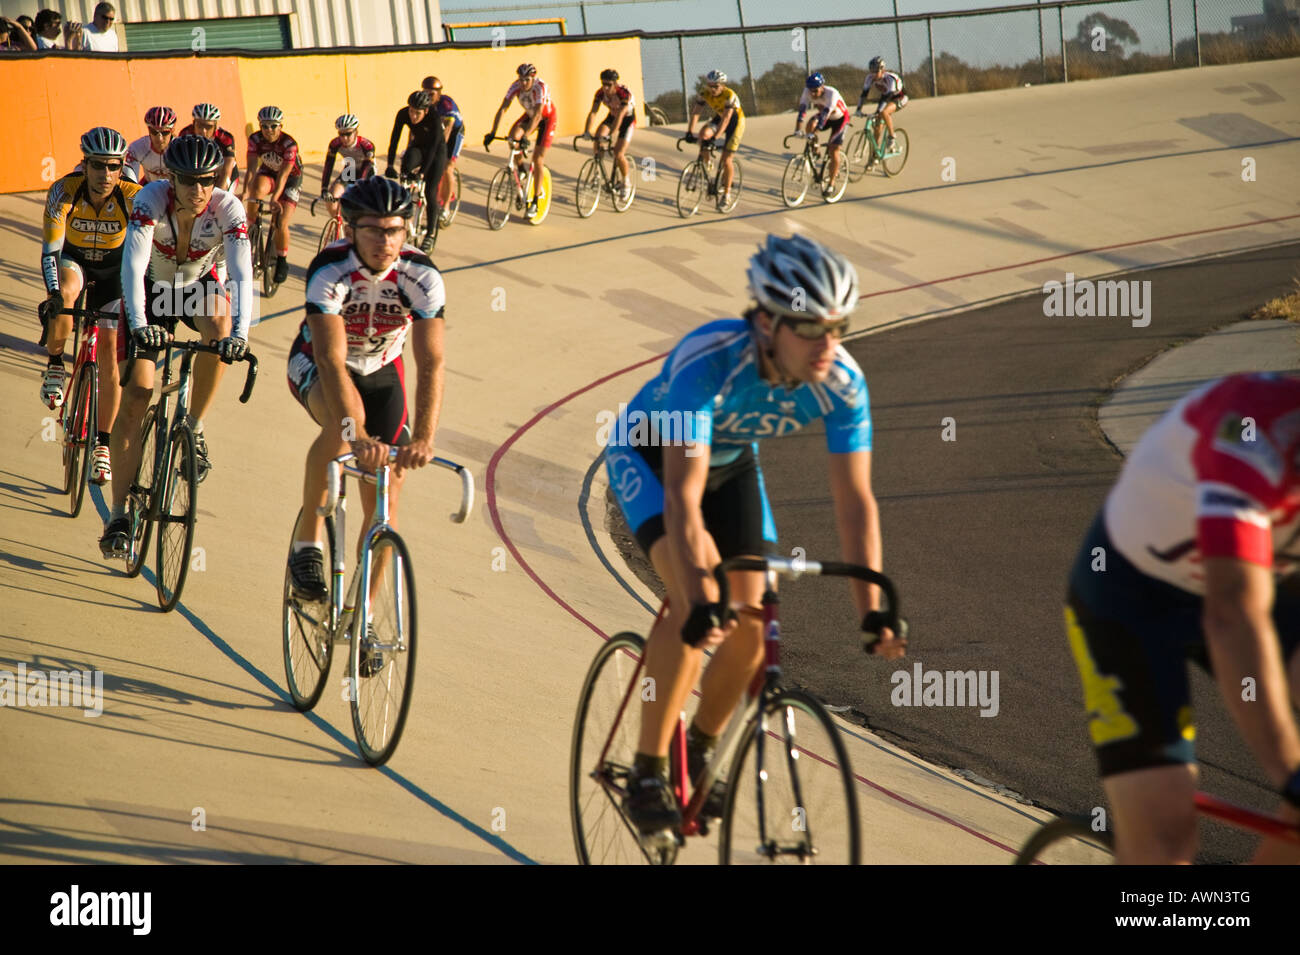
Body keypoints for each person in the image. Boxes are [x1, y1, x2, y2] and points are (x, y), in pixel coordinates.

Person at [605, 233, 905, 835]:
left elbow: (855, 501)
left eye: (838, 328)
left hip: (732, 463)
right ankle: (647, 769)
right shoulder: (709, 361)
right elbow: (683, 498)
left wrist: (872, 608)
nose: (828, 345)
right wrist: (698, 591)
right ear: (767, 322)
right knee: (696, 600)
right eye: (810, 328)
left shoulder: (843, 383)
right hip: (653, 457)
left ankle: (701, 750)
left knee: (754, 621)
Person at [1064, 372, 1300, 864]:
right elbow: (1231, 614)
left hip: (1262, 585)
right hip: (1131, 598)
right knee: (1164, 834)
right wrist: (1290, 772)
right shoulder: (1252, 428)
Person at [285, 177, 446, 609]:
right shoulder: (330, 269)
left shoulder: (422, 275)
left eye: (394, 230)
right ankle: (307, 546)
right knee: (342, 429)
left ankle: (362, 615)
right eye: (374, 230)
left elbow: (431, 362)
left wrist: (424, 438)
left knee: (386, 499)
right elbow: (330, 359)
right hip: (318, 363)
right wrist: (356, 437)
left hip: (381, 370)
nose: (385, 241)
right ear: (350, 228)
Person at [100, 135, 252, 557]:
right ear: (172, 178)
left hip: (196, 288)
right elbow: (133, 267)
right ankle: (118, 515)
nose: (198, 189)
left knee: (220, 327)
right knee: (137, 396)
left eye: (207, 180)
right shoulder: (150, 200)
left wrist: (241, 335)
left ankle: (195, 427)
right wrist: (140, 324)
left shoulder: (228, 208)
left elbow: (241, 274)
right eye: (188, 180)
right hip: (150, 292)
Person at [39, 126, 140, 485]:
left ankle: (103, 444)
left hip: (114, 273)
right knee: (65, 295)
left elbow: (146, 255)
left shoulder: (134, 197)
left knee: (110, 353)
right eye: (97, 165)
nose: (105, 174)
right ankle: (55, 363)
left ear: (122, 167)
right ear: (84, 163)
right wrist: (53, 294)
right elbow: (51, 251)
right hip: (75, 262)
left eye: (113, 166)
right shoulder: (64, 190)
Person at [483, 63, 556, 219]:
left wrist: (526, 136)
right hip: (530, 116)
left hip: (546, 119)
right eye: (521, 79)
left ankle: (535, 201)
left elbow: (538, 115)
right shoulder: (515, 86)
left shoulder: (540, 88)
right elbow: (503, 108)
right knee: (512, 138)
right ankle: (521, 169)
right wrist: (493, 132)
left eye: (526, 80)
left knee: (537, 159)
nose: (523, 83)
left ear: (533, 79)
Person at [241, 105, 302, 285]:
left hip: (290, 179)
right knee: (255, 190)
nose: (269, 130)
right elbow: (251, 168)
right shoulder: (255, 139)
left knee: (281, 221)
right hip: (268, 173)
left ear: (281, 126)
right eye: (265, 126)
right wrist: (245, 192)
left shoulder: (289, 144)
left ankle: (282, 260)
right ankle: (252, 226)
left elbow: (283, 175)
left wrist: (275, 198)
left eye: (273, 126)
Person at [384, 89, 446, 251]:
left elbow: (433, 149)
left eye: (418, 113)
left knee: (430, 192)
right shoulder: (403, 114)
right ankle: (404, 210)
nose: (413, 116)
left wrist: (422, 173)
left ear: (426, 111)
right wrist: (390, 165)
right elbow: (395, 138)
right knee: (406, 165)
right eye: (411, 111)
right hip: (418, 147)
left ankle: (430, 234)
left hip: (436, 152)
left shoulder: (434, 118)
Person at [685, 69, 744, 208]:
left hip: (735, 123)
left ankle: (727, 195)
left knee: (726, 159)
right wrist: (689, 132)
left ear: (723, 86)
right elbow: (696, 112)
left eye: (716, 86)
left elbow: (727, 119)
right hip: (720, 118)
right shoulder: (704, 93)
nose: (712, 89)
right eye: (710, 86)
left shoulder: (729, 95)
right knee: (703, 135)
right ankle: (708, 164)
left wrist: (715, 137)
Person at [582, 68, 636, 202]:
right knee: (598, 137)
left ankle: (626, 182)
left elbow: (621, 115)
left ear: (615, 84)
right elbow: (593, 112)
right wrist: (587, 131)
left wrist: (611, 135)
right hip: (612, 117)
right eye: (603, 84)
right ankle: (597, 172)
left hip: (627, 120)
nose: (605, 88)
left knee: (618, 153)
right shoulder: (600, 93)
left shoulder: (623, 94)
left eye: (609, 85)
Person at [795, 72, 850, 194]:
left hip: (840, 119)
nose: (813, 94)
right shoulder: (807, 92)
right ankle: (816, 151)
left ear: (822, 87)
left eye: (815, 91)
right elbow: (802, 111)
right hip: (826, 117)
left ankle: (831, 184)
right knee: (810, 125)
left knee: (833, 149)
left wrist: (814, 133)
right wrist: (797, 130)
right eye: (810, 91)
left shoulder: (832, 93)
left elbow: (824, 116)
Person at [421, 76, 463, 227]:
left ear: (439, 94)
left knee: (447, 167)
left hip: (454, 134)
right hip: (437, 132)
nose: (428, 97)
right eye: (425, 93)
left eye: (431, 94)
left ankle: (446, 207)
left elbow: (448, 129)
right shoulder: (423, 104)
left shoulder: (446, 104)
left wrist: (438, 150)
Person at [320, 113, 375, 218]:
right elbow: (328, 165)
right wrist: (324, 188)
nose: (344, 138)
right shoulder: (335, 144)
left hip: (366, 171)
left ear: (356, 132)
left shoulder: (367, 145)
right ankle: (338, 223)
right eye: (341, 134)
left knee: (362, 203)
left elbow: (366, 166)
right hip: (350, 169)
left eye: (348, 134)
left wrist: (359, 187)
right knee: (332, 197)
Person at [179, 103, 238, 192]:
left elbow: (227, 168)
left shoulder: (225, 138)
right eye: (200, 125)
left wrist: (220, 192)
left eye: (208, 127)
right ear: (194, 123)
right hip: (200, 170)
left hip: (222, 170)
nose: (203, 131)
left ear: (215, 126)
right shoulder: (185, 134)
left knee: (221, 197)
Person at [856, 56, 907, 155]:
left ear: (882, 70)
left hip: (899, 98)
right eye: (871, 71)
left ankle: (892, 136)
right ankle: (875, 155)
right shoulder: (869, 78)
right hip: (886, 98)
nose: (873, 74)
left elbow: (887, 98)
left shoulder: (890, 78)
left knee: (884, 112)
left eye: (876, 71)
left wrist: (878, 111)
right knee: (877, 127)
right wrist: (858, 109)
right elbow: (864, 94)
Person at [125, 106, 176, 184]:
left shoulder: (180, 149)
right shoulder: (137, 148)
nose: (159, 138)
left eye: (165, 132)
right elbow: (131, 182)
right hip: (150, 185)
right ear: (148, 130)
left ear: (172, 131)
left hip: (174, 187)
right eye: (154, 132)